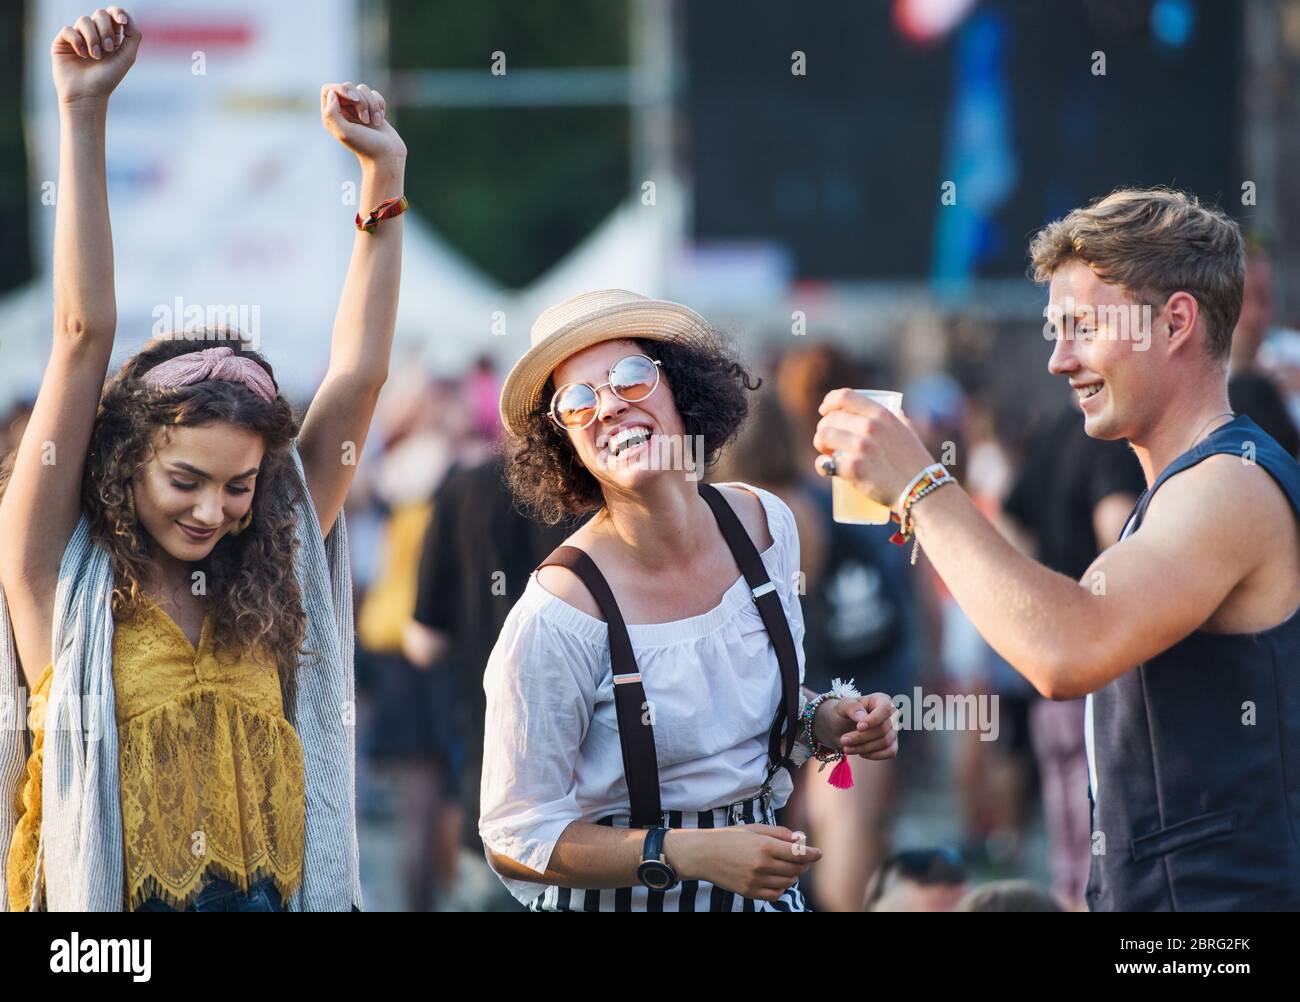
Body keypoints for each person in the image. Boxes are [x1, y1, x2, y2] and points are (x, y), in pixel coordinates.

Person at [0, 7, 407, 911]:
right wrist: (82, 110)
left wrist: (383, 175)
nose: (213, 510)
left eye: (239, 486)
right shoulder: (53, 570)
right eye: (184, 480)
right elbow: (80, 333)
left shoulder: (277, 550)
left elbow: (362, 374)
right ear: (121, 464)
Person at [814, 187, 1300, 911]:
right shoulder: (1192, 485)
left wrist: (920, 487)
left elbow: (1067, 649)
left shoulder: (1227, 485)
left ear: (1174, 323)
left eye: (1080, 326)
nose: (1057, 359)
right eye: (1054, 328)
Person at [479, 289, 899, 911]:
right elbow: (514, 836)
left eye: (628, 377)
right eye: (576, 402)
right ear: (564, 443)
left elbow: (750, 713)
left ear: (679, 386)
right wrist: (684, 854)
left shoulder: (767, 527)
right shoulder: (559, 614)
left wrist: (828, 720)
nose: (609, 409)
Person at [1000, 397, 1144, 906]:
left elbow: (1011, 523)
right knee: (1097, 839)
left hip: (1049, 672)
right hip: (1098, 672)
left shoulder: (1055, 425)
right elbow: (1117, 526)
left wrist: (1035, 611)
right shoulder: (1113, 439)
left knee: (1068, 841)